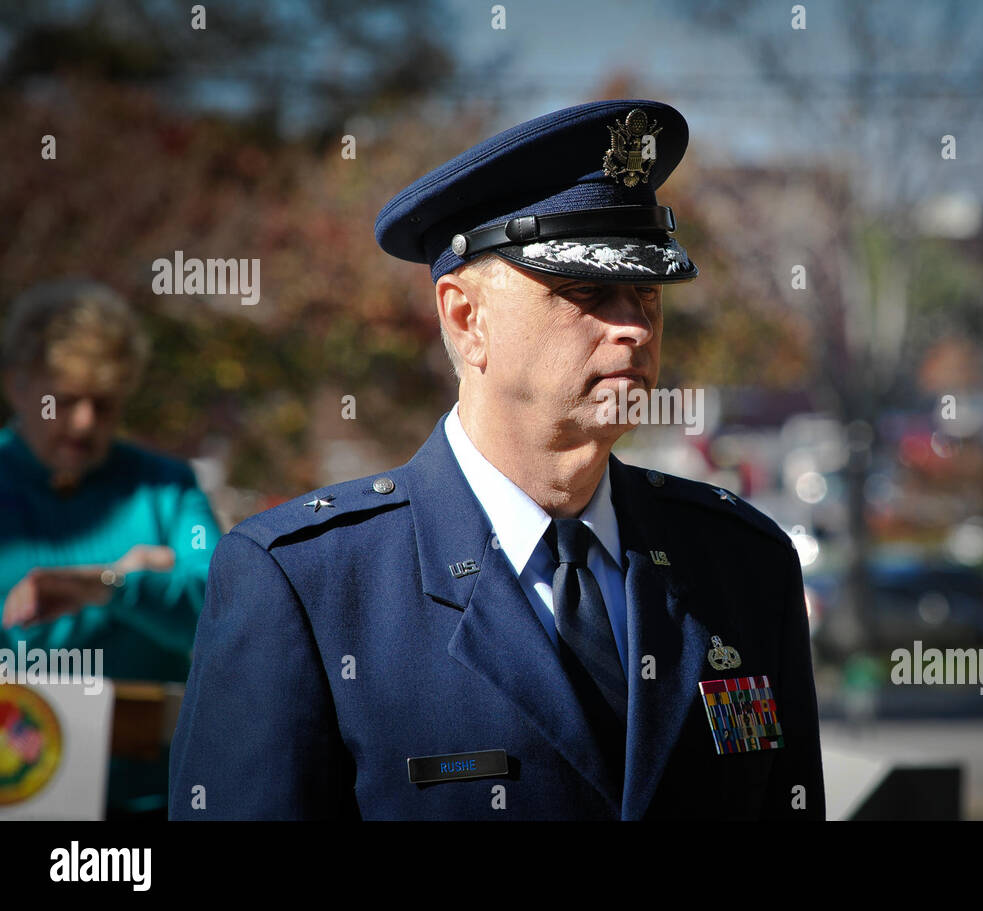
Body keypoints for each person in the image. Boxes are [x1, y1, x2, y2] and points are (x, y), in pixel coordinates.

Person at [169, 99, 825, 820]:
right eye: (586, 292)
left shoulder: (742, 563)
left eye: (647, 294)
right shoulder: (310, 584)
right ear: (464, 317)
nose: (634, 327)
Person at [0, 279, 221, 816]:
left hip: (147, 797)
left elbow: (226, 610)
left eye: (103, 405)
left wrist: (112, 586)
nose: (84, 423)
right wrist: (148, 581)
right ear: (15, 385)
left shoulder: (166, 488)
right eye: (66, 401)